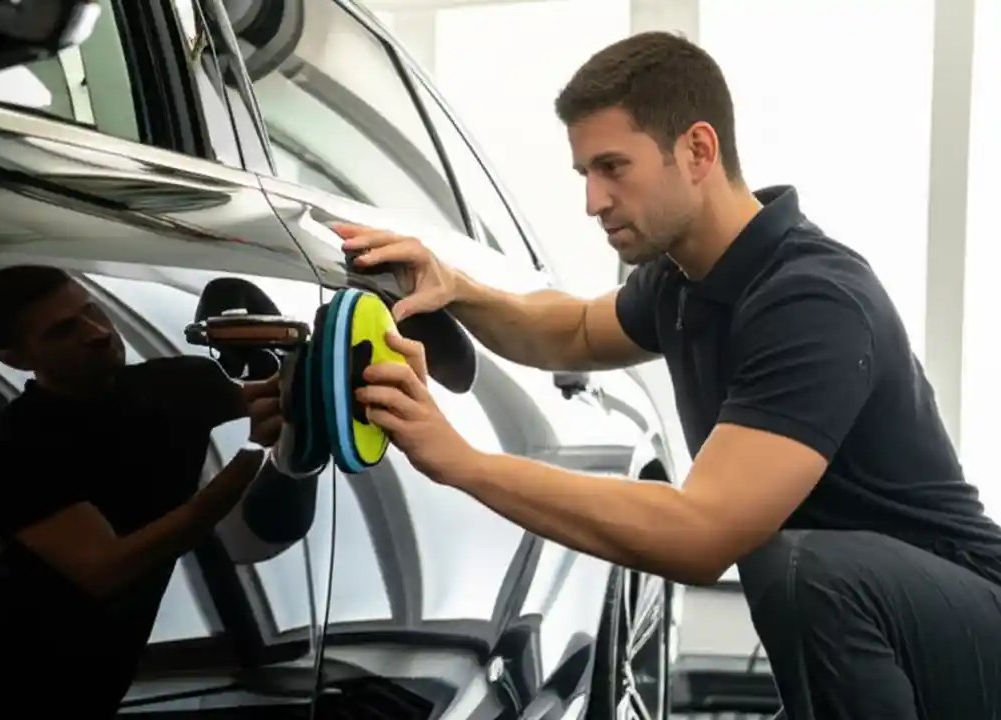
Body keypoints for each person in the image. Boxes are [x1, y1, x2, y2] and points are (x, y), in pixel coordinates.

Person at [340, 31, 1001, 720]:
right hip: (876, 641)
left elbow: (700, 536)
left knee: (805, 570)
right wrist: (459, 288)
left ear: (698, 151)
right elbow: (568, 330)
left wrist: (464, 462)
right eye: (584, 175)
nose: (593, 200)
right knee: (805, 572)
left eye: (613, 167)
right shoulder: (682, 283)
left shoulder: (812, 300)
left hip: (968, 640)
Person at [0, 265, 282, 718]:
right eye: (63, 331)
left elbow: (269, 398)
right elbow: (107, 568)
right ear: (17, 359)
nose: (97, 332)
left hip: (120, 660)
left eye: (91, 309)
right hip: (24, 676)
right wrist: (243, 468)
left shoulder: (180, 382)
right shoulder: (11, 454)